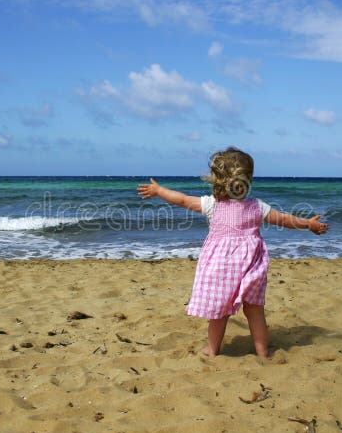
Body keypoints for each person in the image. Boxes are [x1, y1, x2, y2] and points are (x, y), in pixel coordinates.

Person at [137, 147, 328, 358]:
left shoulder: (212, 205)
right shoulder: (257, 207)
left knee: (219, 313)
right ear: (247, 180)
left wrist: (158, 191)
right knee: (255, 311)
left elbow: (181, 199)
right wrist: (308, 224)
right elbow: (284, 219)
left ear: (217, 180)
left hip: (221, 269)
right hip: (251, 268)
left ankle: (212, 350)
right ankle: (263, 352)